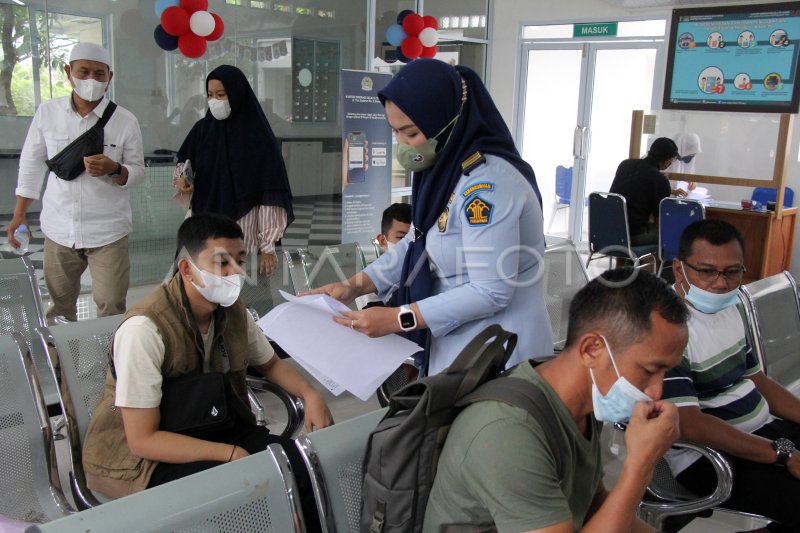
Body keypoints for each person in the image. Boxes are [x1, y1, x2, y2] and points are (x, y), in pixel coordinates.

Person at [82, 213, 332, 526]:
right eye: (222, 262)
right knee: (245, 497)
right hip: (145, 460)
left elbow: (269, 364)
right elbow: (142, 440)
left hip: (214, 424)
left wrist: (310, 394)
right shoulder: (144, 329)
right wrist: (230, 454)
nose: (235, 272)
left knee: (305, 468)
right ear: (187, 269)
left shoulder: (233, 311)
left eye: (240, 261)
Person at [309, 58, 553, 376]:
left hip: (501, 354)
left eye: (410, 133)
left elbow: (491, 290)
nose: (402, 144)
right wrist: (354, 286)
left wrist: (399, 318)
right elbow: (418, 241)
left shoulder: (486, 186)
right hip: (459, 351)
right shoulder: (443, 173)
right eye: (395, 132)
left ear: (446, 121)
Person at [424, 268, 689, 532]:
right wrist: (640, 465)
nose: (656, 392)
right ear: (592, 350)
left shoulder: (583, 400)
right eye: (649, 371)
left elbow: (593, 505)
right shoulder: (508, 430)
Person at [663, 219, 800, 531]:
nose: (721, 283)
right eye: (707, 271)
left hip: (762, 434)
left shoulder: (729, 308)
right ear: (679, 269)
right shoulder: (666, 328)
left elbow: (757, 380)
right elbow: (690, 424)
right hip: (709, 458)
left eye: (732, 272)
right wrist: (783, 455)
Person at [8, 42, 145, 322]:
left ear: (110, 77)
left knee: (111, 304)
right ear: (68, 72)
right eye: (83, 72)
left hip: (108, 231)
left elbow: (138, 172)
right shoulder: (48, 113)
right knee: (60, 308)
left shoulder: (125, 121)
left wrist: (115, 168)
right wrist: (19, 214)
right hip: (59, 227)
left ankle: (108, 351)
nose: (91, 79)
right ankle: (62, 351)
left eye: (99, 73)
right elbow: (32, 163)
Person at [174, 65, 293, 277]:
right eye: (210, 95)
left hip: (242, 230)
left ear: (237, 94)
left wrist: (267, 247)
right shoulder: (202, 130)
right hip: (202, 225)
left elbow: (269, 192)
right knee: (199, 283)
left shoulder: (258, 138)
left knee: (237, 287)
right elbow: (184, 165)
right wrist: (182, 181)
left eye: (221, 94)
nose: (214, 101)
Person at [609, 137, 686, 246]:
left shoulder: (625, 165)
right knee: (671, 234)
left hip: (609, 229)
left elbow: (632, 186)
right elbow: (660, 220)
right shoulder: (660, 180)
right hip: (634, 235)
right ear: (667, 161)